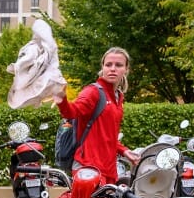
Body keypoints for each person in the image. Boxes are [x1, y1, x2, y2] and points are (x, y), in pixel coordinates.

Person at [53, 47, 140, 183]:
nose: (112, 68)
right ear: (103, 68)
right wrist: (62, 100)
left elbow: (108, 136)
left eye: (118, 65)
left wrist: (124, 151)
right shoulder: (93, 91)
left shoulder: (118, 97)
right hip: (88, 168)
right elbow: (72, 112)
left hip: (109, 170)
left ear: (126, 70)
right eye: (108, 64)